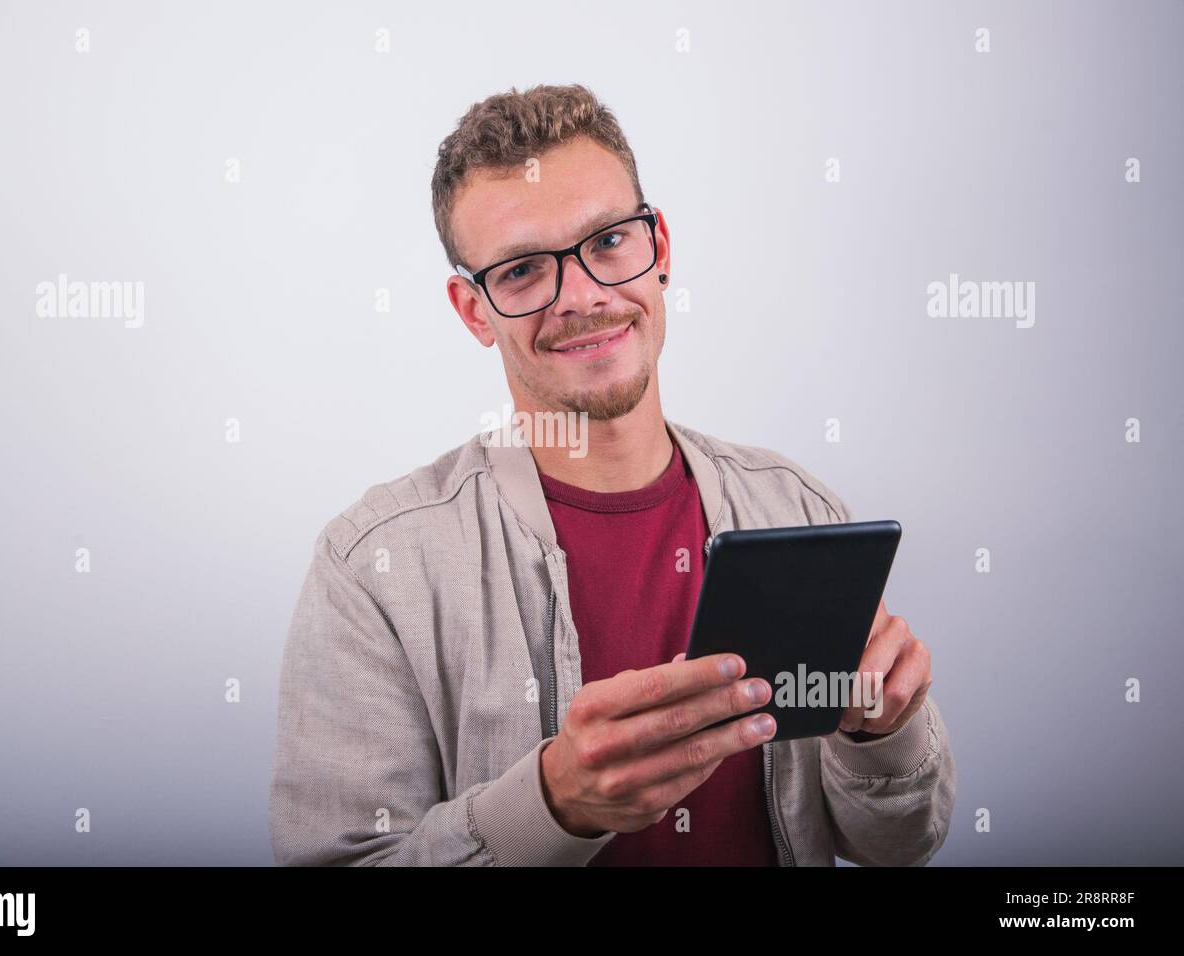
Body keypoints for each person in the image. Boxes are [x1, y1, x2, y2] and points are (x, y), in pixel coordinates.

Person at [268, 83, 955, 866]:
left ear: (659, 249)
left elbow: (898, 845)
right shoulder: (373, 568)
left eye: (607, 243)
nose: (584, 296)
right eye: (524, 270)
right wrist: (553, 805)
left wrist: (885, 732)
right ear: (473, 311)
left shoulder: (793, 507)